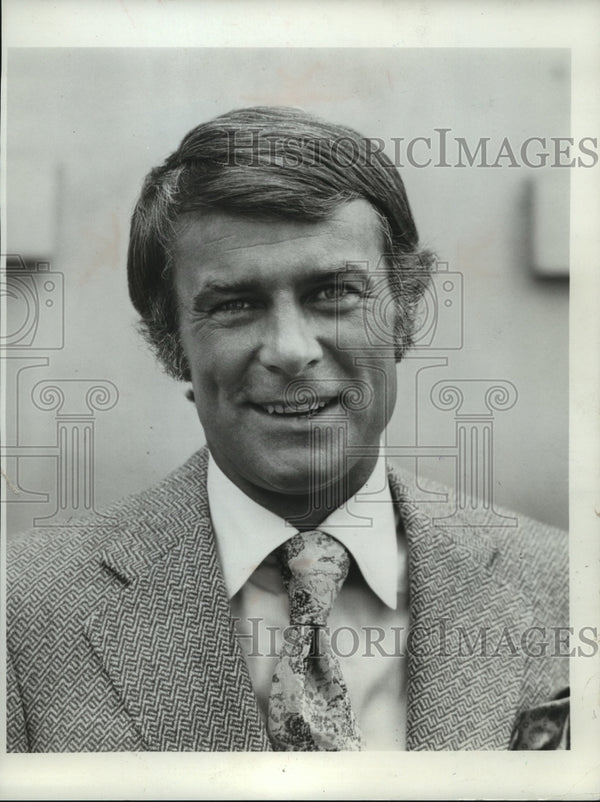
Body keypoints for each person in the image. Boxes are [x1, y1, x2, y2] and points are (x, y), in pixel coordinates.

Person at [7, 106, 569, 752]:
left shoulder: (566, 586)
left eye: (333, 293)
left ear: (405, 315)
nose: (290, 349)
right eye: (236, 305)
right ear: (172, 343)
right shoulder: (23, 613)